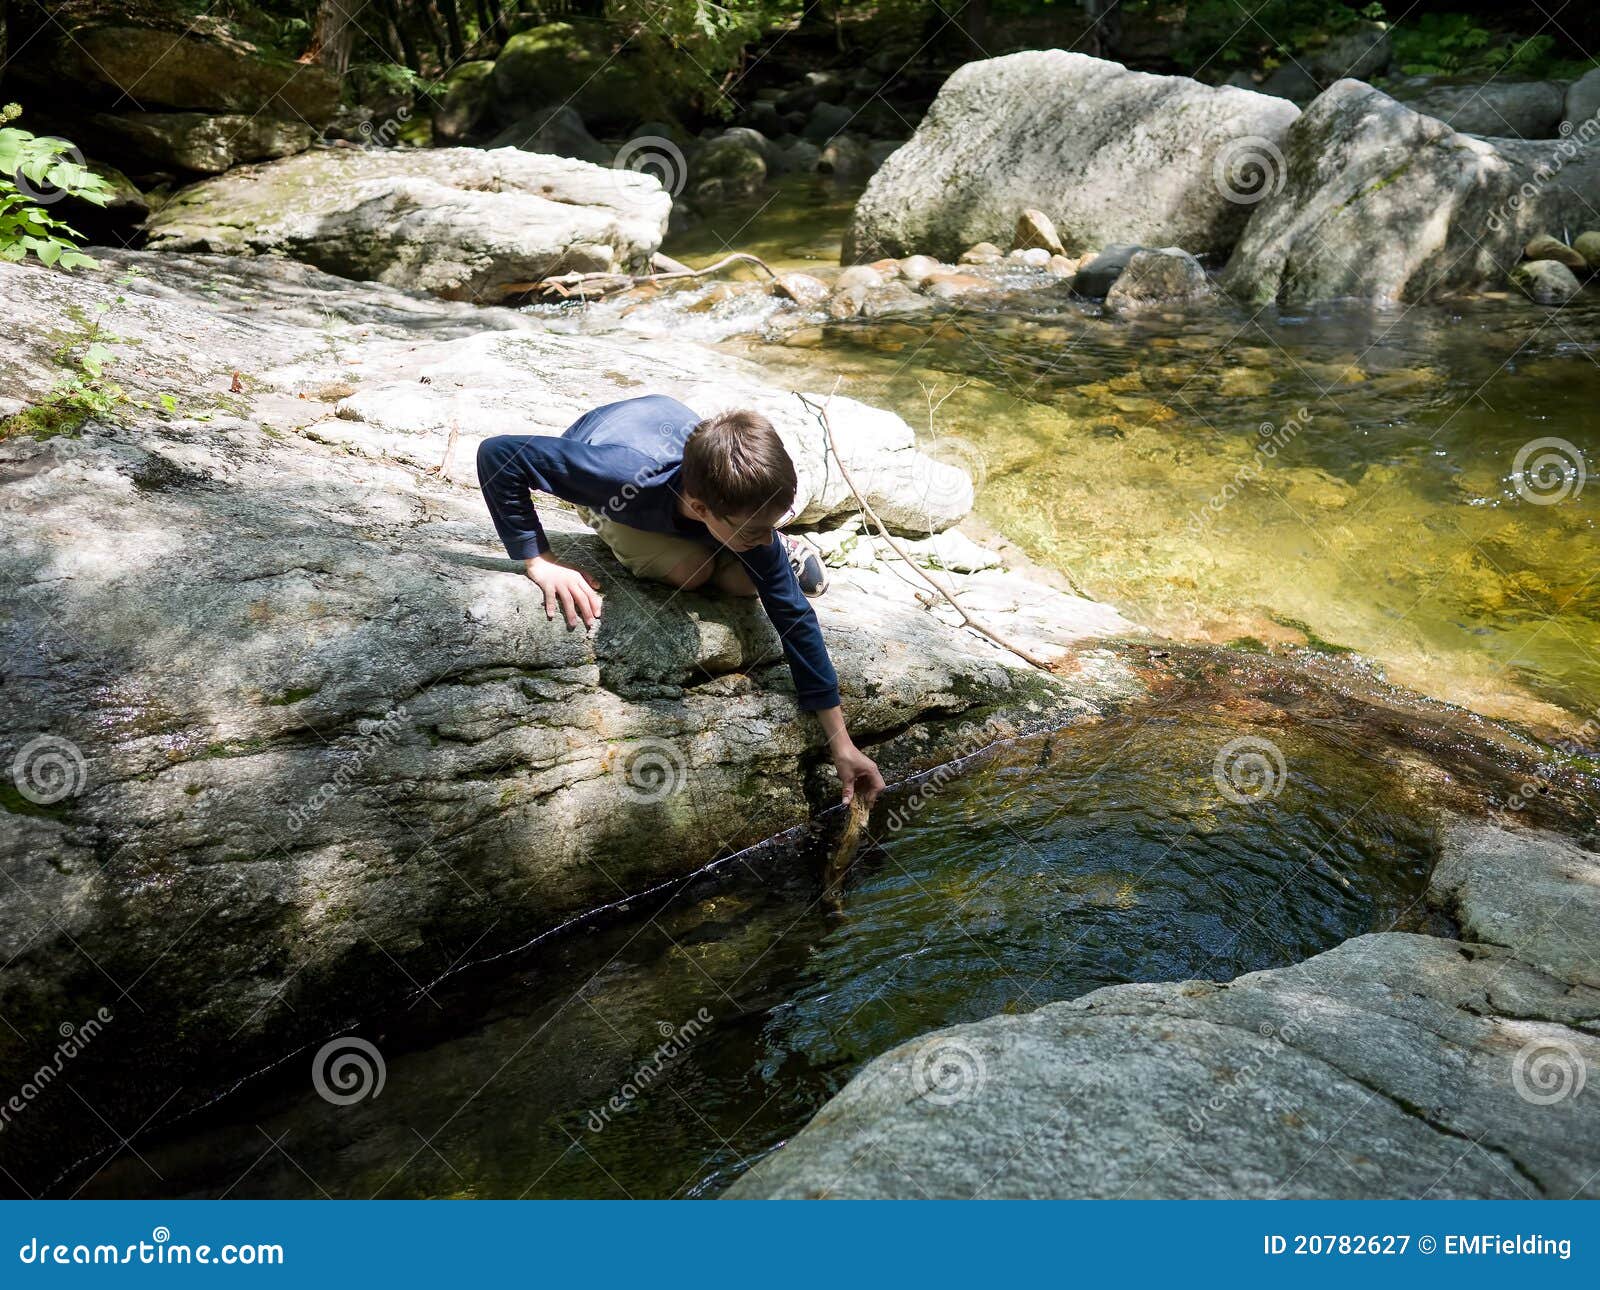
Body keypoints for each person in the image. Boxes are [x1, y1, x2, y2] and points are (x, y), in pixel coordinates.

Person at [476, 394, 885, 807]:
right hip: (616, 491)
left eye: (771, 526)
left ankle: (740, 541)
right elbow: (499, 455)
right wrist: (540, 561)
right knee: (692, 571)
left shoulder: (733, 500)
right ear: (700, 507)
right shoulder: (619, 476)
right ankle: (724, 544)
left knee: (749, 579)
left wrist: (841, 742)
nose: (765, 539)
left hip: (683, 459)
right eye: (755, 530)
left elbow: (794, 617)